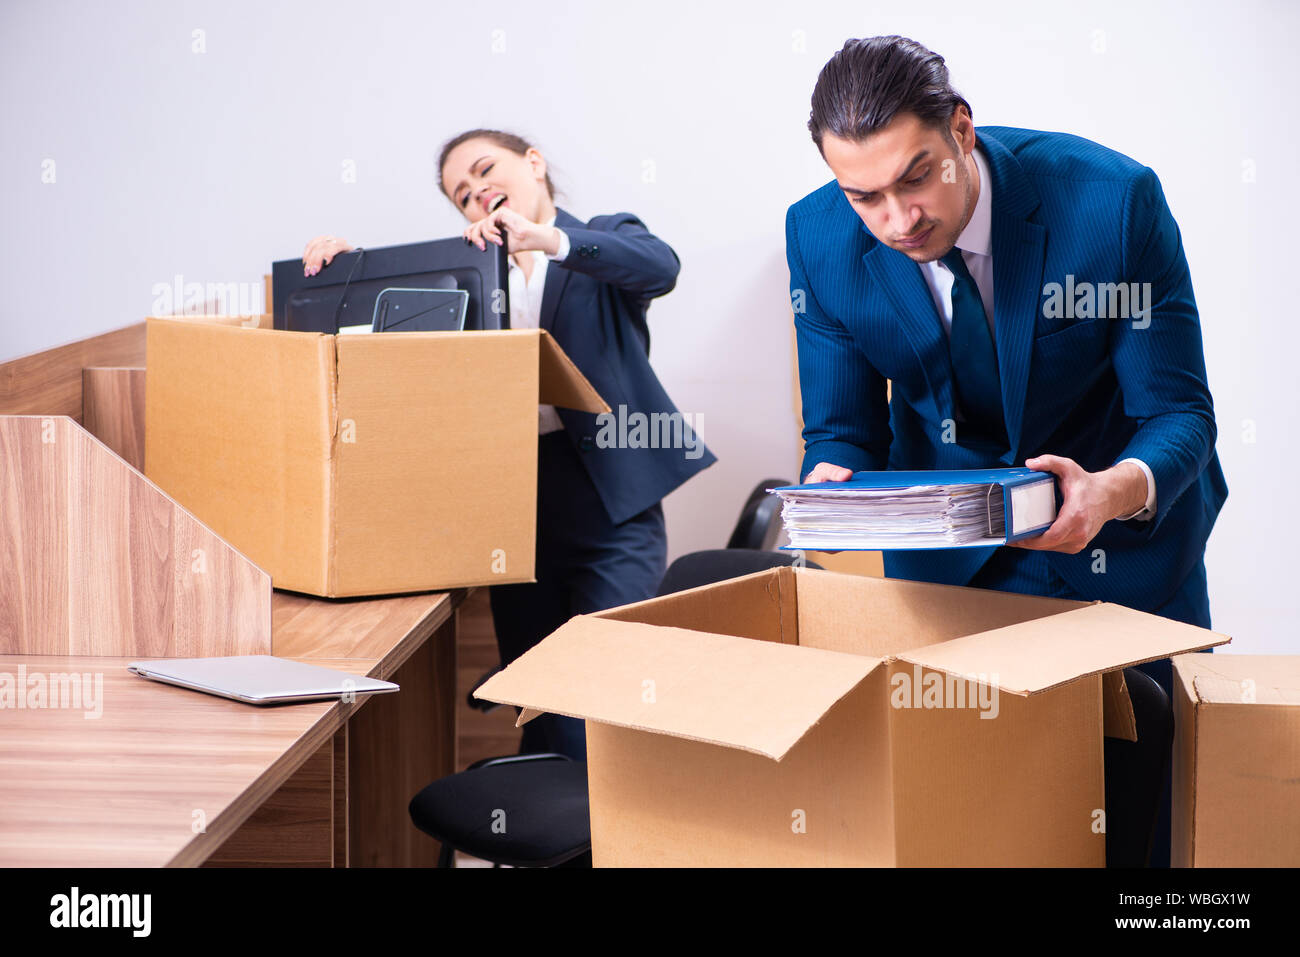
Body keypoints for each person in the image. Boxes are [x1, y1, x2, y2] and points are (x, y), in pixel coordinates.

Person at [787, 36, 1226, 866]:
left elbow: (1179, 414)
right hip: (953, 564)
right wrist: (829, 484)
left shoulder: (1110, 202)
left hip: (1121, 540)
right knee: (977, 816)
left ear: (961, 129)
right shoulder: (817, 238)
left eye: (915, 177)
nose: (897, 220)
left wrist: (1112, 489)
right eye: (864, 195)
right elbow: (842, 429)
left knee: (1146, 814)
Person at [303, 129, 714, 760]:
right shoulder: (469, 270)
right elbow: (396, 330)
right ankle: (557, 849)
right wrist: (349, 268)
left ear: (535, 162)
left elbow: (661, 267)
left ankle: (616, 844)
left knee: (606, 697)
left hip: (612, 499)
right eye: (462, 194)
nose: (476, 193)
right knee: (538, 698)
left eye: (484, 170)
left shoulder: (599, 239)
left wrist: (547, 238)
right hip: (513, 509)